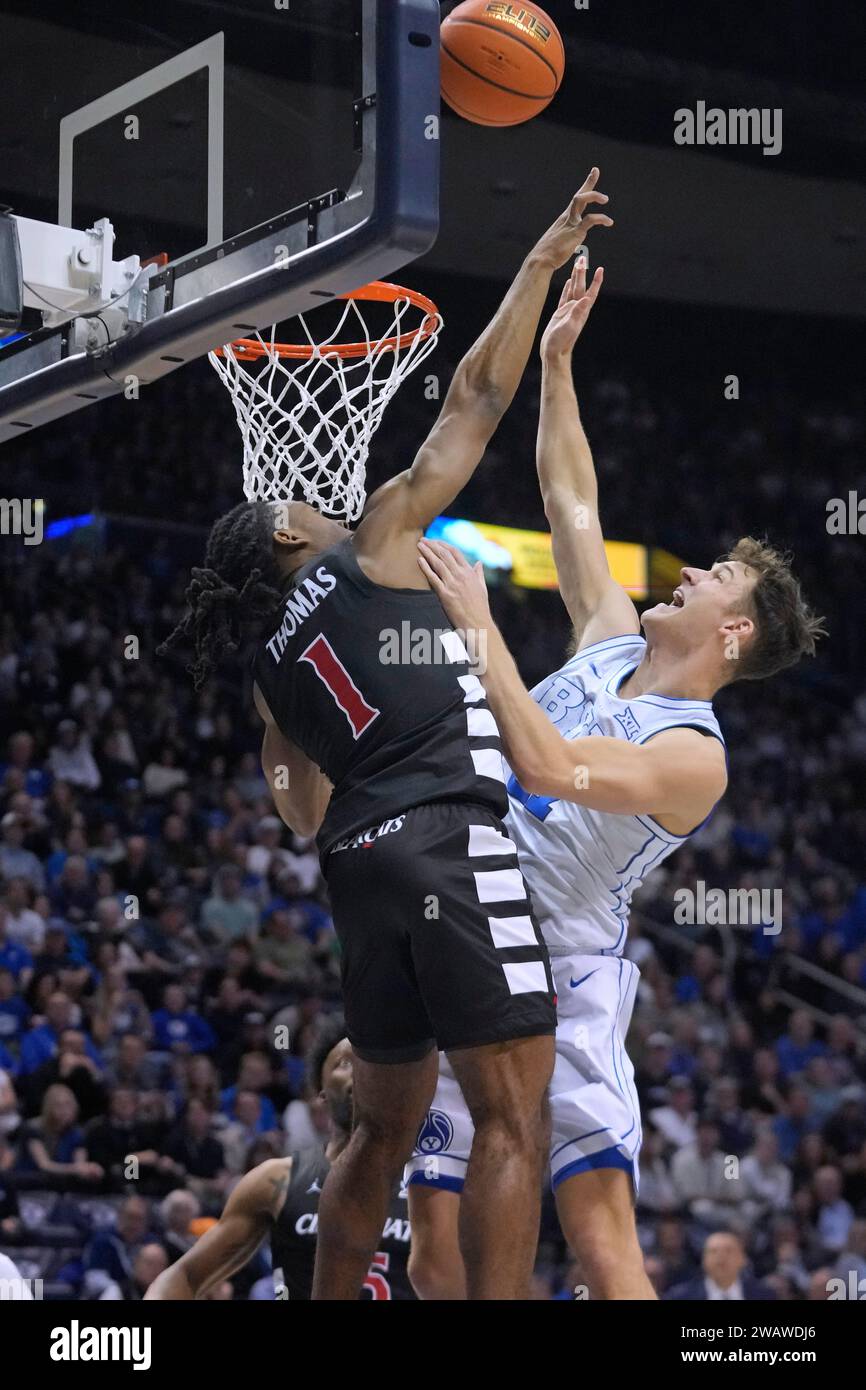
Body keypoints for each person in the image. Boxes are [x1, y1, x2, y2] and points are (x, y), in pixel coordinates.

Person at [160, 172, 613, 1301]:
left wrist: (348, 823)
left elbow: (295, 798)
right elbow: (472, 397)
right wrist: (535, 264)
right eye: (300, 503)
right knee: (509, 1111)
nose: (319, 495)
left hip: (358, 864)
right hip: (449, 838)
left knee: (377, 1133)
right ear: (283, 530)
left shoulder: (270, 671)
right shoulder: (368, 542)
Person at [410, 257, 824, 1300]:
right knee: (429, 1245)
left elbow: (547, 764)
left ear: (731, 631)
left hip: (562, 973)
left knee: (600, 1249)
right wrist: (555, 361)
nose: (684, 573)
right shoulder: (603, 637)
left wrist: (478, 632)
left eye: (709, 578)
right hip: (469, 922)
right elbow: (568, 499)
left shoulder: (694, 756)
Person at [145, 1017, 415, 1301]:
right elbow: (184, 1276)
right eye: (345, 1063)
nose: (361, 1073)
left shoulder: (431, 1184)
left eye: (372, 1063)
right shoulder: (276, 1180)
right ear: (319, 1090)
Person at [664, 1230, 776, 1301]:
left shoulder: (765, 1295)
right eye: (713, 1251)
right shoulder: (679, 1297)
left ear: (743, 1260)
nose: (721, 1257)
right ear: (703, 1260)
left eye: (729, 1251)